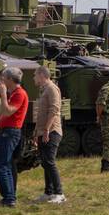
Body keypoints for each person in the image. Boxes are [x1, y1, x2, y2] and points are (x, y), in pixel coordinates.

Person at [0, 66, 28, 208]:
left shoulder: (19, 94)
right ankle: (10, 195)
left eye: (4, 78)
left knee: (1, 165)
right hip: (7, 131)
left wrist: (3, 95)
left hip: (10, 133)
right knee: (7, 164)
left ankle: (8, 198)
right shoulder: (14, 94)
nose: (2, 81)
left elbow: (7, 112)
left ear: (11, 79)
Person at [32, 65, 65, 204]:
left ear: (41, 75)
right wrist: (36, 132)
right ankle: (49, 192)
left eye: (35, 75)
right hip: (43, 131)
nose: (33, 78)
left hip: (52, 131)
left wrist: (46, 130)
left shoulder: (52, 88)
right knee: (45, 162)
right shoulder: (44, 90)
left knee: (50, 162)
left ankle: (59, 193)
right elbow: (41, 114)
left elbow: (54, 110)